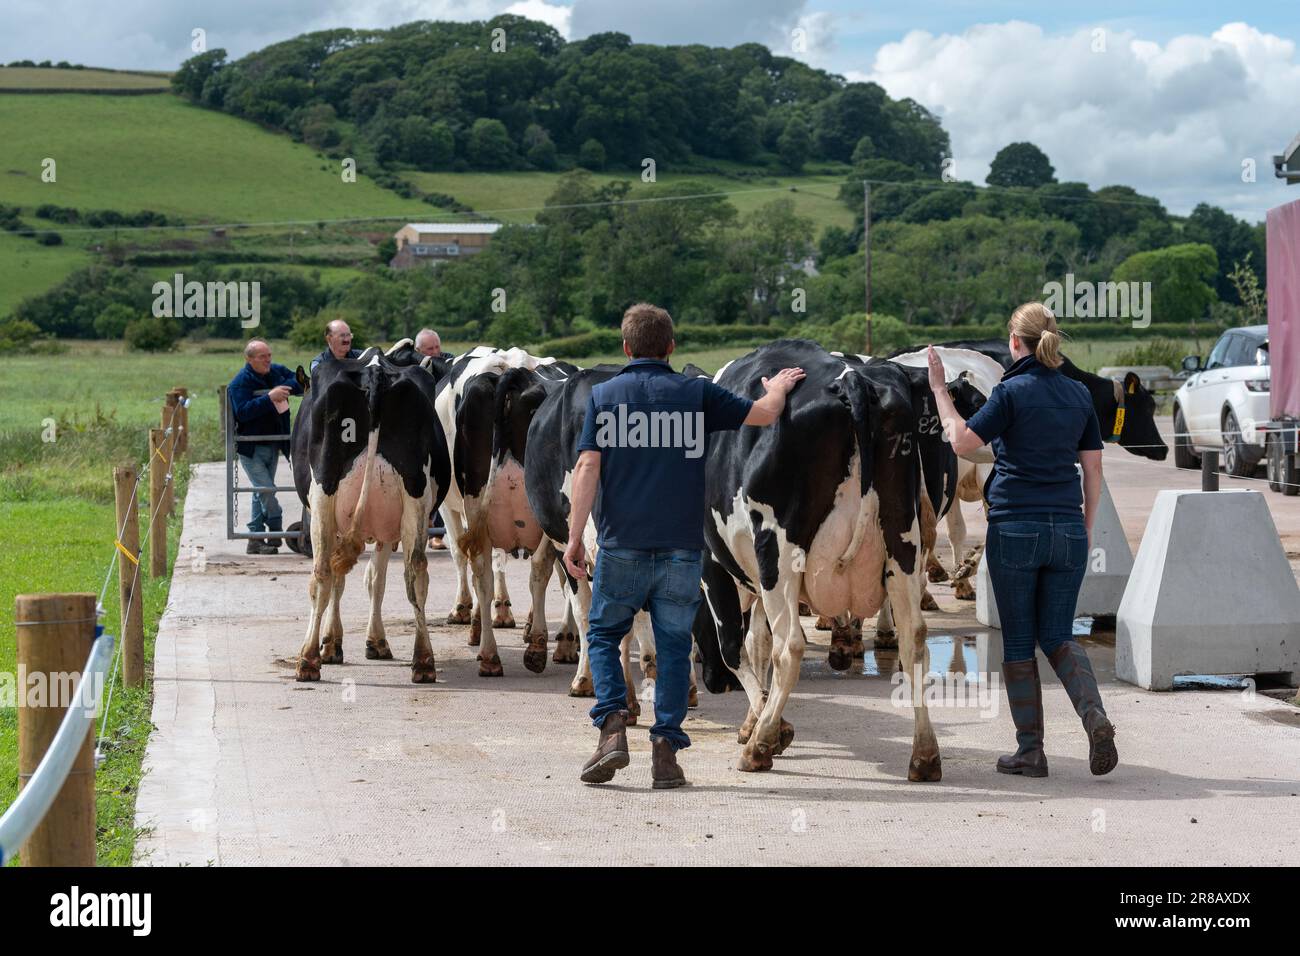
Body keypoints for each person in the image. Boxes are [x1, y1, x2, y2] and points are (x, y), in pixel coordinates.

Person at [562, 303, 804, 789]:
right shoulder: (696, 393)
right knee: (674, 648)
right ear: (671, 347)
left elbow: (587, 468)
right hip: (680, 550)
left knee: (606, 636)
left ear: (625, 347)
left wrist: (573, 538)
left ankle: (612, 728)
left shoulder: (605, 396)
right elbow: (763, 414)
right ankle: (666, 753)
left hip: (620, 545)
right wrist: (777, 388)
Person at [926, 302, 1118, 778]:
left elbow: (962, 442)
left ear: (1015, 342)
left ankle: (1031, 751)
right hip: (1068, 529)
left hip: (1015, 529)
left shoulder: (1010, 392)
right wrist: (1086, 526)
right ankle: (1093, 715)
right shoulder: (1077, 395)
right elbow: (1093, 468)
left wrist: (938, 391)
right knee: (1058, 635)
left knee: (1017, 641)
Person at [228, 339, 304, 555]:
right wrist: (269, 397)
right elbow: (242, 411)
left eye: (269, 355)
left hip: (273, 443)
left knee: (259, 492)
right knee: (266, 490)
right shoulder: (240, 383)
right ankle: (276, 525)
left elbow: (298, 382)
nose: (268, 360)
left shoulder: (275, 372)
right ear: (249, 359)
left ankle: (255, 540)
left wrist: (284, 388)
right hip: (250, 448)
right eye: (262, 357)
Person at [414, 328, 450, 548]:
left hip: (445, 431)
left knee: (444, 479)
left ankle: (438, 533)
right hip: (423, 432)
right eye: (430, 349)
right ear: (419, 351)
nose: (436, 352)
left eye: (437, 346)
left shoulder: (447, 363)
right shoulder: (413, 367)